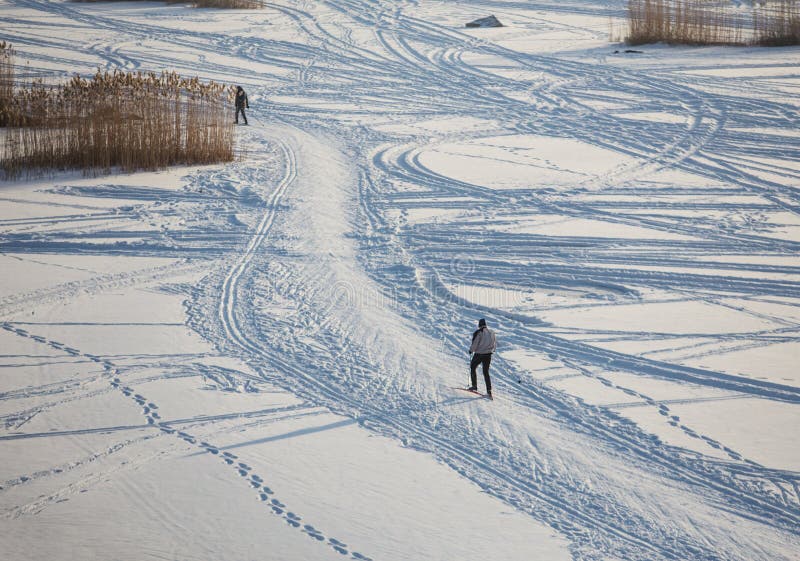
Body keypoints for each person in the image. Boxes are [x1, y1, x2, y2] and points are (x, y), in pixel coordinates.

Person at [468, 318, 496, 398]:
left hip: (479, 354)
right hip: (488, 354)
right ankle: (489, 391)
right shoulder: (492, 332)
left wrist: (471, 350)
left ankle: (474, 386)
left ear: (479, 325)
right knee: (486, 372)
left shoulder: (479, 332)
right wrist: (491, 350)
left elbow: (475, 342)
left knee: (473, 367)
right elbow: (494, 343)